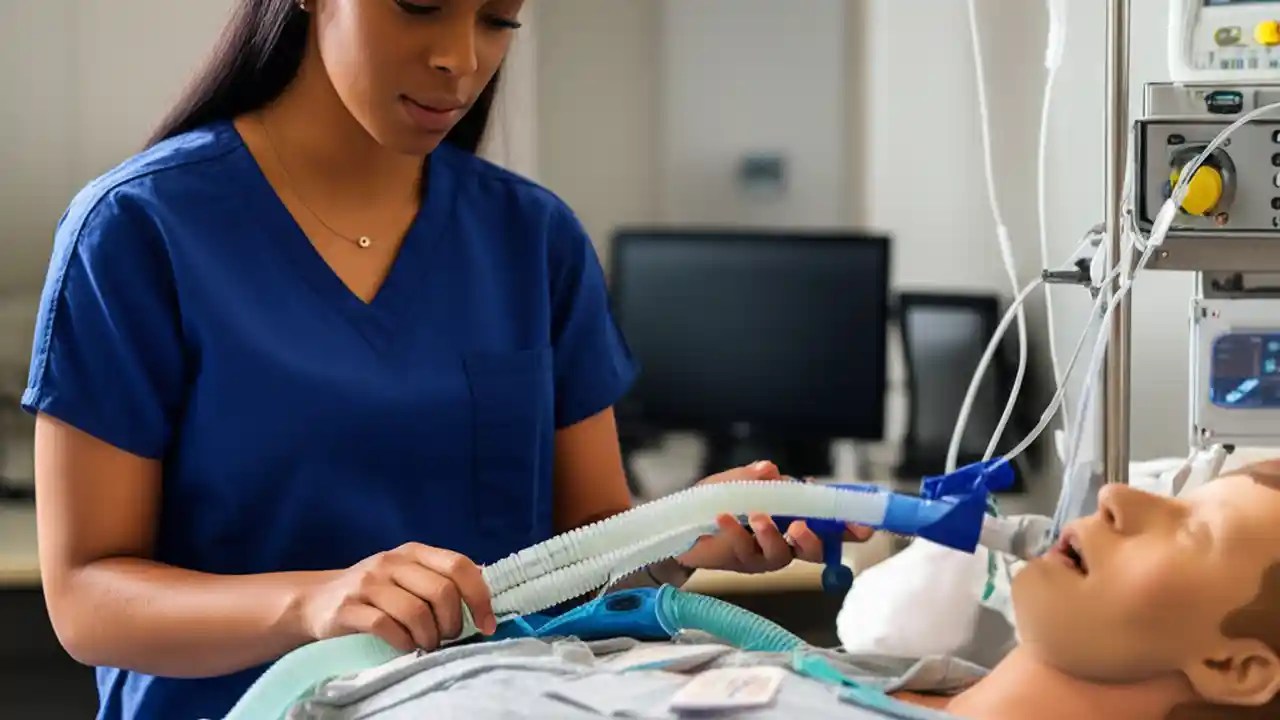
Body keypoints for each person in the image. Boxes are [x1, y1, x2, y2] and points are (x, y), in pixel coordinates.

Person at [19, 2, 866, 719]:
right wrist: (313, 603)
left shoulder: (532, 241)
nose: (461, 60)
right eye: (419, 4)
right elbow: (88, 600)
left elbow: (584, 551)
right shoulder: (139, 231)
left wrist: (682, 534)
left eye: (498, 20)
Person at [890, 461, 1280, 719]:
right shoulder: (886, 684)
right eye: (1177, 501)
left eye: (1191, 531)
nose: (1114, 495)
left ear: (1233, 668)